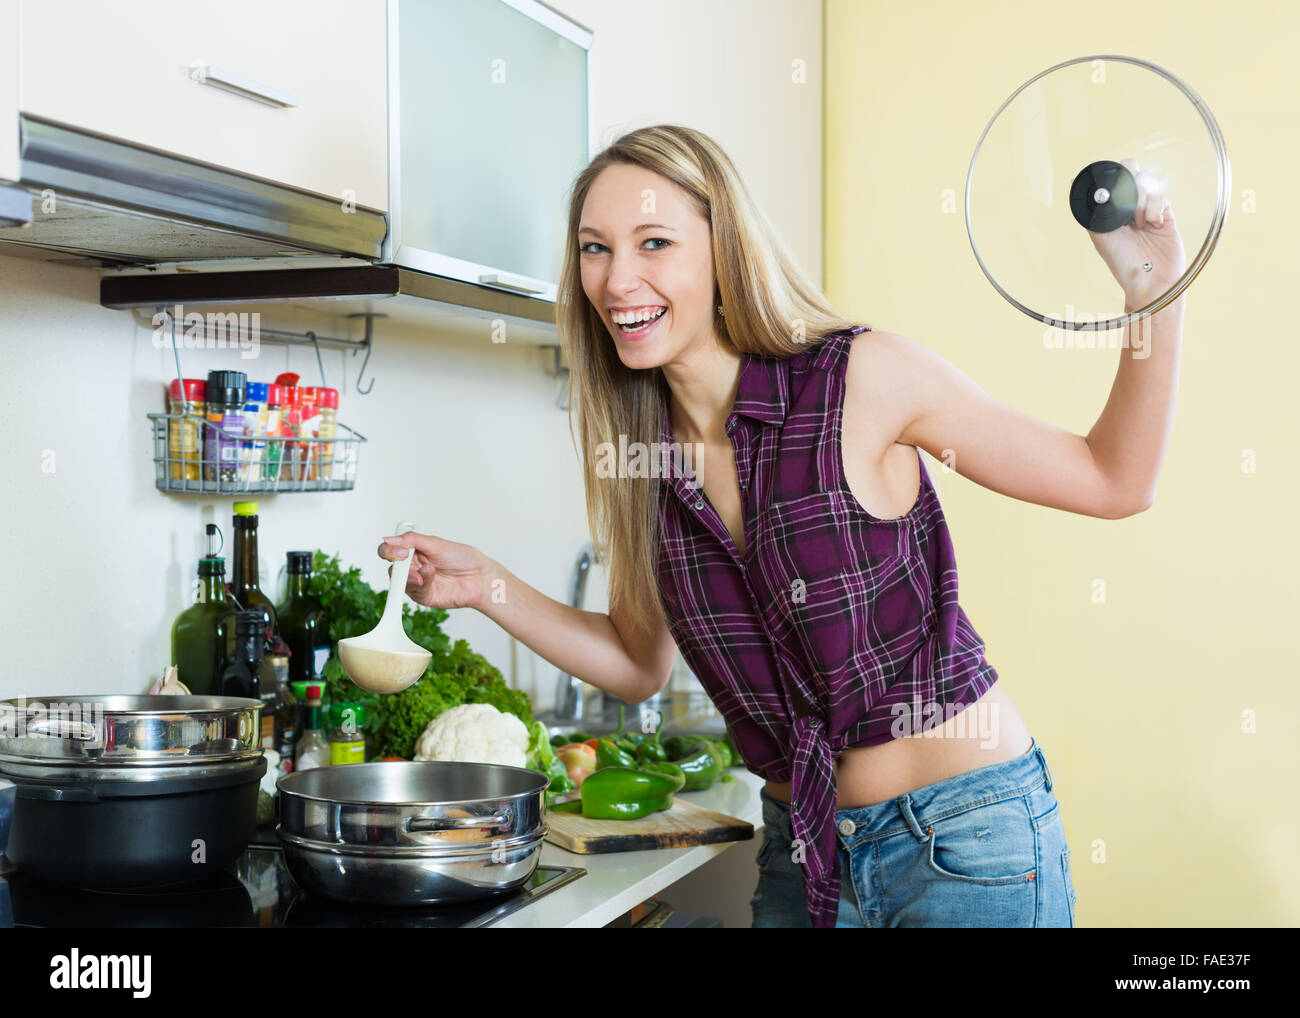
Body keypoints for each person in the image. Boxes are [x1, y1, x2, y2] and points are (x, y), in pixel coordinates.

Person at [378, 125, 1186, 927]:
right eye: (595, 249)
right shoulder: (641, 458)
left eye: (653, 242)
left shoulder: (859, 377)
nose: (619, 279)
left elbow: (1114, 480)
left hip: (962, 844)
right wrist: (485, 585)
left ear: (722, 249)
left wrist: (1153, 293)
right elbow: (636, 662)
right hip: (799, 858)